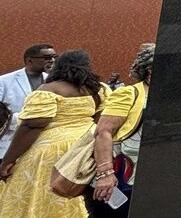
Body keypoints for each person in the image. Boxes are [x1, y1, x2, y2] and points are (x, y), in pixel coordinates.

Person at [0, 50, 106, 218]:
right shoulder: (98, 89)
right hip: (87, 146)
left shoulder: (49, 90)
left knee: (43, 194)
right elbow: (100, 117)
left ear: (59, 66)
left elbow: (33, 125)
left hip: (52, 150)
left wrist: (8, 160)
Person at [88, 44, 154, 217]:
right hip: (124, 176)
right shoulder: (128, 94)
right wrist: (105, 174)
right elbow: (103, 132)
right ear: (150, 70)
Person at [0, 43, 56, 158]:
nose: (52, 60)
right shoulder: (4, 81)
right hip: (10, 142)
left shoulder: (53, 81)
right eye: (47, 58)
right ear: (29, 61)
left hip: (42, 145)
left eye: (54, 57)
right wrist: (20, 119)